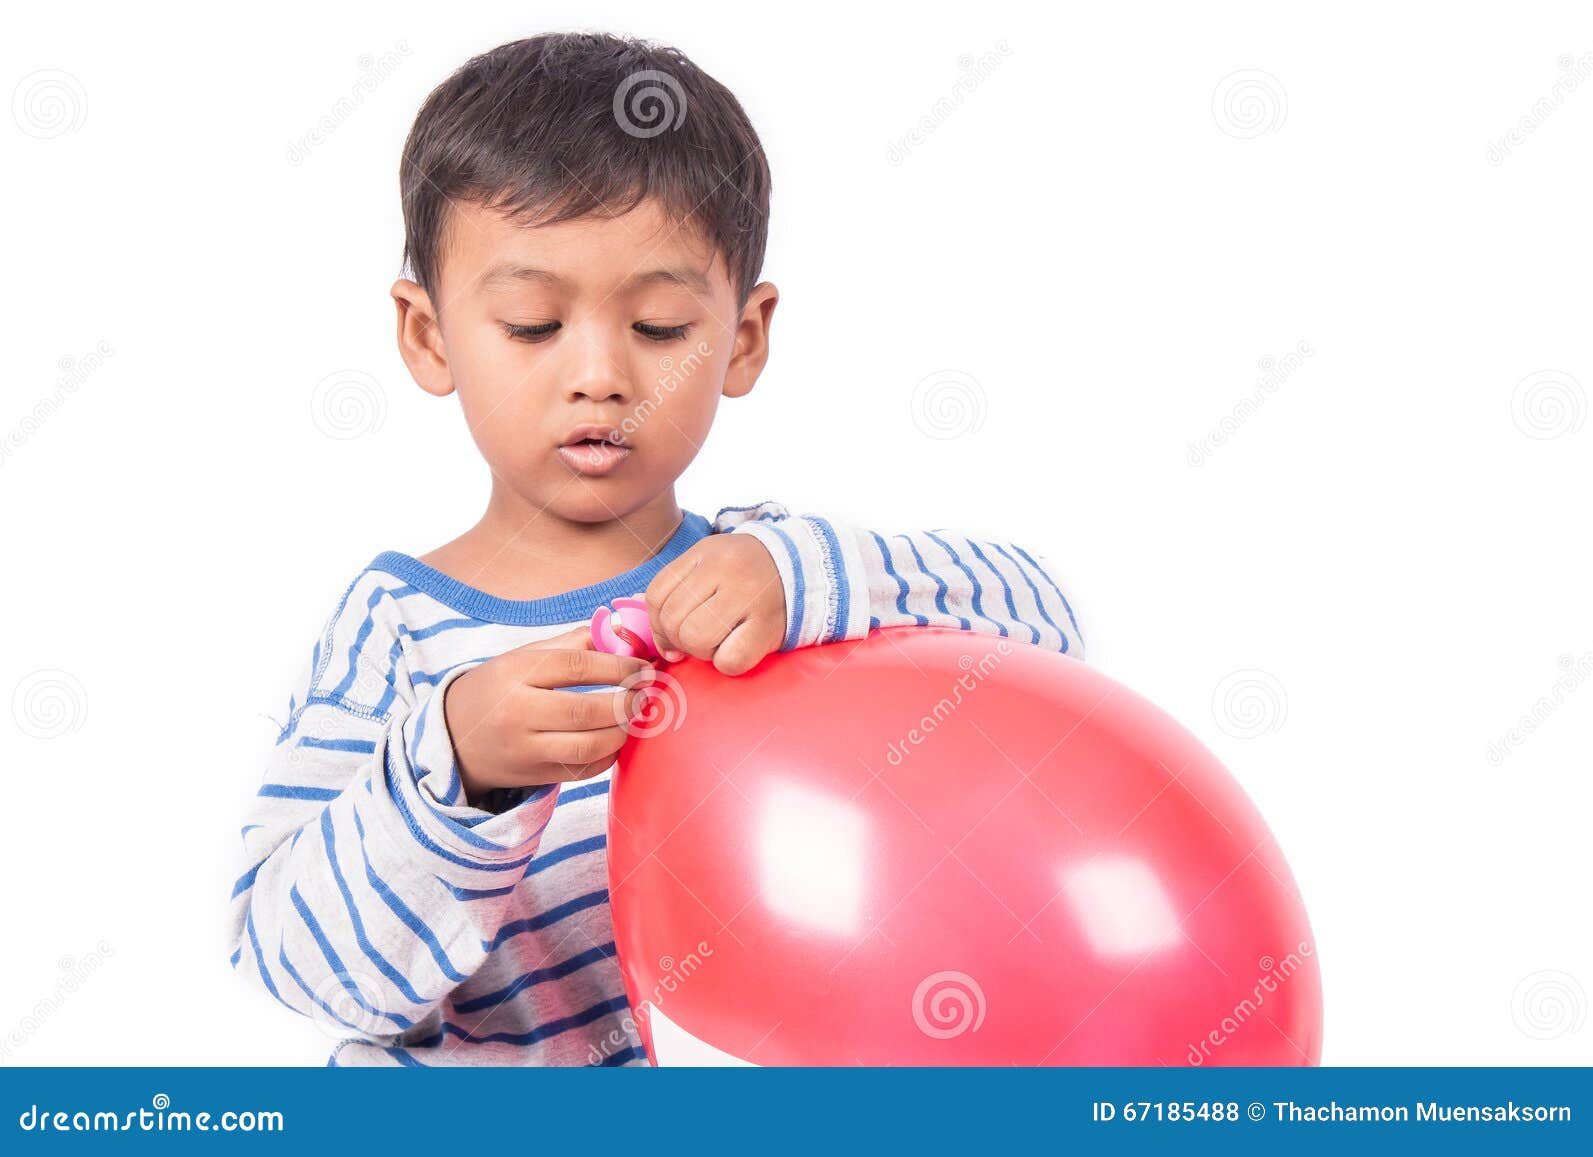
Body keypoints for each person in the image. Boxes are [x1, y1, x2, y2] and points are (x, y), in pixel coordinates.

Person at [226, 30, 1084, 1066]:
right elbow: (294, 960)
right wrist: (456, 762)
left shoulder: (775, 583)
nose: (599, 375)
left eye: (663, 327)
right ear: (429, 336)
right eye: (533, 325)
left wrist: (807, 577)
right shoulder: (399, 626)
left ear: (745, 339)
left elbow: (1046, 634)